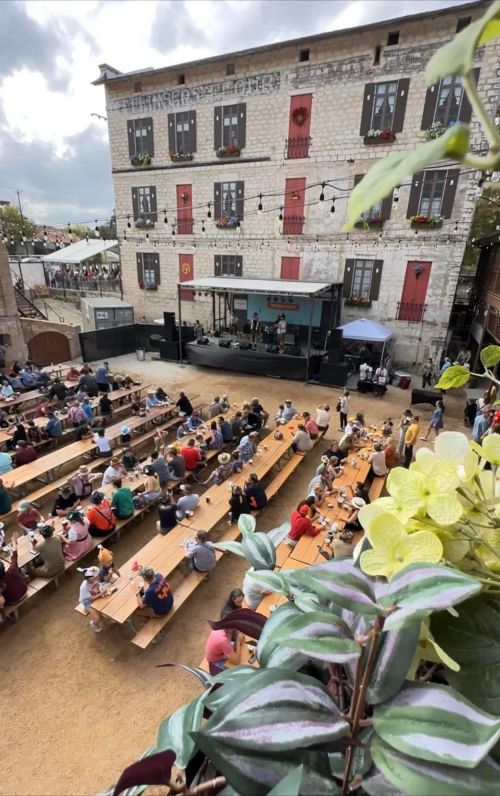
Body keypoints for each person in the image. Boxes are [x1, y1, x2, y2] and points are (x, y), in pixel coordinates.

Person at [0, 535, 28, 619]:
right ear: (4, 568)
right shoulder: (12, 569)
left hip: (12, 601)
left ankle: (7, 616)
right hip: (24, 591)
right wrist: (13, 541)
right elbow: (14, 554)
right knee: (21, 571)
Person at [78, 566, 103, 632]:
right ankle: (94, 623)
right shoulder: (84, 587)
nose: (98, 577)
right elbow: (90, 599)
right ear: (90, 579)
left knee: (104, 604)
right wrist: (100, 594)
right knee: (97, 617)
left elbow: (92, 590)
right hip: (86, 601)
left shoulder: (92, 581)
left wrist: (97, 589)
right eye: (96, 577)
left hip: (91, 595)